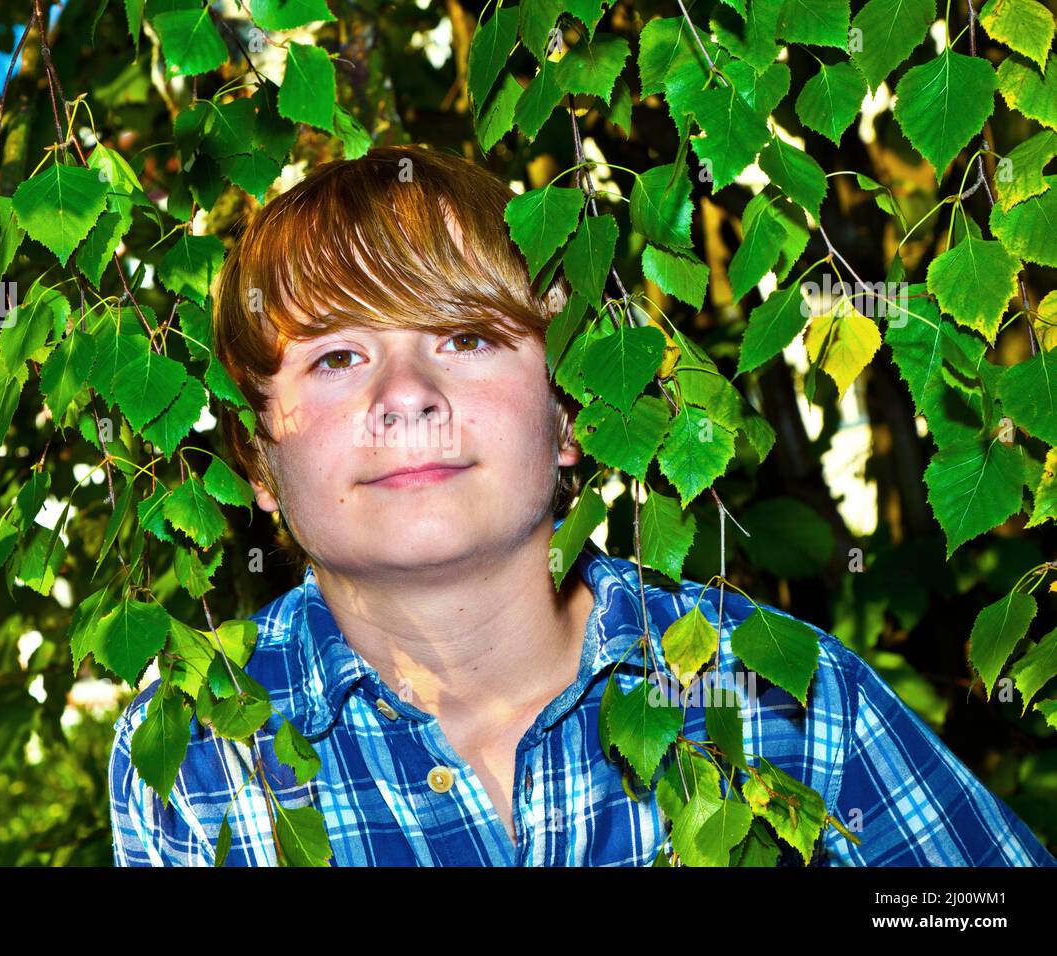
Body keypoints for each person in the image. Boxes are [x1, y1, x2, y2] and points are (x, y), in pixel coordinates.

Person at [108, 143, 1055, 866]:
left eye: (469, 337)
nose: (406, 396)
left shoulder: (788, 697)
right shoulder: (196, 755)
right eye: (338, 356)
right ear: (260, 460)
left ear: (571, 412)